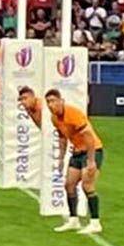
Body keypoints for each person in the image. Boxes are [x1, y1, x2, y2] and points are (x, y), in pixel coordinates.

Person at [44, 89, 105, 235]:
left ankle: (95, 222)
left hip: (92, 150)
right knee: (69, 185)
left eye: (53, 101)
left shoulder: (73, 114)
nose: (50, 105)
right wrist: (60, 158)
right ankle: (73, 220)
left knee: (87, 185)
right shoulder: (55, 118)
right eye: (48, 102)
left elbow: (89, 137)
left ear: (61, 101)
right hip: (77, 152)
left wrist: (91, 161)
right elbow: (62, 138)